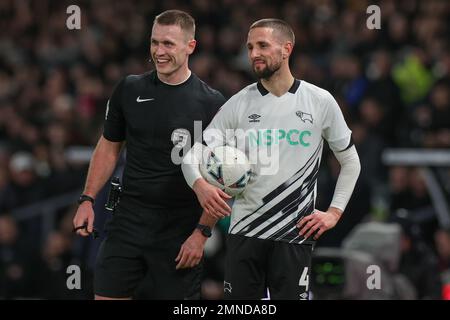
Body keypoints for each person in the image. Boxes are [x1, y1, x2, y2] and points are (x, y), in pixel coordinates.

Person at [182, 19, 361, 299]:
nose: (254, 53)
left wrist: (334, 213)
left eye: (263, 45)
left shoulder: (320, 101)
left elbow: (351, 162)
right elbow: (192, 155)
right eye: (250, 47)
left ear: (286, 48)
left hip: (294, 235)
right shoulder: (239, 103)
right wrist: (200, 185)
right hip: (245, 235)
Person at [72, 10, 226, 300]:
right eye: (154, 43)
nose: (159, 51)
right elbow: (109, 146)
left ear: (190, 46)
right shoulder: (129, 89)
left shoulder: (211, 103)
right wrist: (87, 198)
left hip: (179, 229)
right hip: (127, 220)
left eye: (168, 44)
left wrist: (201, 233)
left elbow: (219, 176)